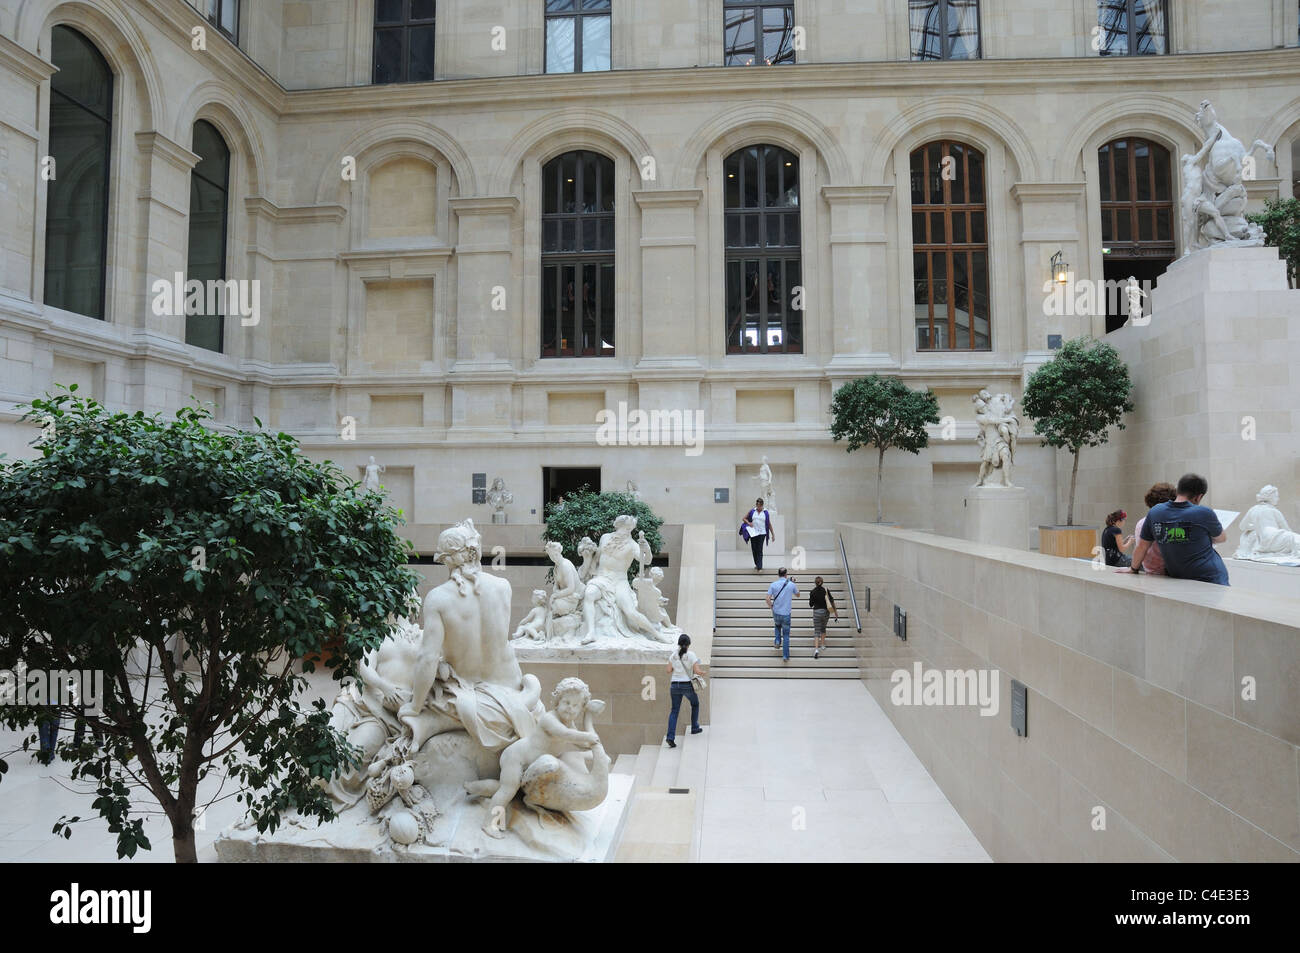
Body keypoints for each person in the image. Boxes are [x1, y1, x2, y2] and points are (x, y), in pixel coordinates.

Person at [1129, 473, 1229, 586]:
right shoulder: (1204, 512)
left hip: (1178, 576)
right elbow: (1222, 538)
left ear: (1177, 491)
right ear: (1198, 497)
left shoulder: (1155, 512)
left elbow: (1142, 546)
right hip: (1211, 577)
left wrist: (1133, 569)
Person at [665, 634, 704, 747]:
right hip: (686, 685)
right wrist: (702, 673)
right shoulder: (691, 655)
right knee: (695, 704)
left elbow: (668, 670)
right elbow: (697, 670)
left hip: (674, 685)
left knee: (674, 711)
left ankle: (670, 737)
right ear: (688, 644)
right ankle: (695, 727)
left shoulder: (673, 655)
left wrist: (675, 668)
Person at [1133, 482, 1176, 574]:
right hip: (1169, 574)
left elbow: (1140, 548)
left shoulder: (1141, 523)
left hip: (1150, 572)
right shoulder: (1173, 523)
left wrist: (1133, 568)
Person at [766, 568, 799, 662]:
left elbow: (767, 599)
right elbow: (798, 594)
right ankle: (785, 656)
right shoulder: (791, 585)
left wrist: (771, 606)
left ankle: (777, 641)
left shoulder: (773, 585)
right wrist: (793, 583)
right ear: (786, 574)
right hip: (786, 614)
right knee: (786, 635)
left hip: (776, 612)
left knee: (777, 625)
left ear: (778, 574)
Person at [808, 576, 839, 659]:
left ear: (815, 582)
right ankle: (822, 645)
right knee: (823, 628)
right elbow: (832, 601)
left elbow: (811, 604)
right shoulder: (826, 590)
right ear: (822, 582)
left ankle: (816, 650)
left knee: (816, 630)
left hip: (817, 612)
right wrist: (835, 612)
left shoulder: (812, 592)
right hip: (825, 612)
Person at [741, 498, 773, 572]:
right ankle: (757, 564)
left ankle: (760, 567)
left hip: (762, 533)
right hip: (753, 533)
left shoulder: (765, 512)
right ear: (756, 505)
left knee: (759, 549)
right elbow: (744, 518)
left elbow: (769, 524)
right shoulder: (752, 511)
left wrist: (773, 534)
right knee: (754, 549)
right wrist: (749, 523)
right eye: (757, 505)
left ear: (762, 505)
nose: (759, 507)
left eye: (760, 506)